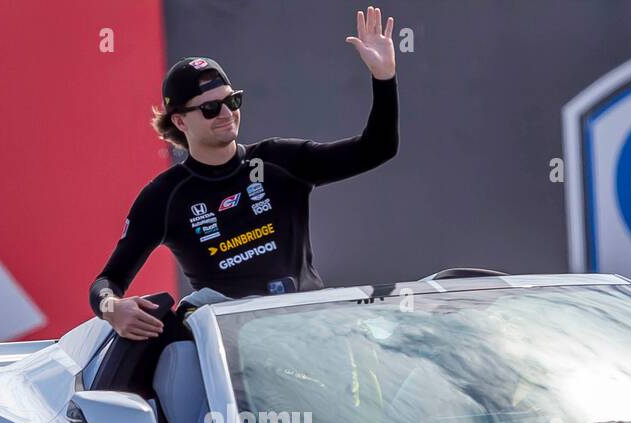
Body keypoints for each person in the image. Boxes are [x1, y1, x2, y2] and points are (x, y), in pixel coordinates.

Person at [89, 6, 399, 339]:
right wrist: (113, 310)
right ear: (180, 121)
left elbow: (377, 149)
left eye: (231, 101)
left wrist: (384, 78)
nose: (225, 113)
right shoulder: (164, 196)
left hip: (313, 335)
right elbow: (106, 284)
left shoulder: (279, 160)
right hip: (233, 354)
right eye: (210, 108)